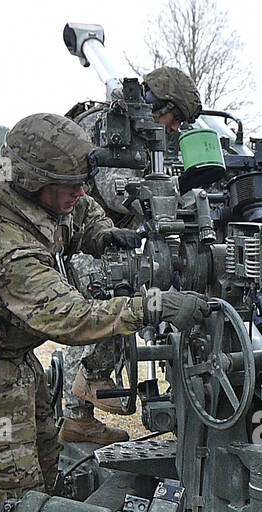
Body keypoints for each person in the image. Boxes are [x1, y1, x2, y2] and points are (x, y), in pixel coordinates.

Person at [0, 112, 209, 512]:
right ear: (36, 182)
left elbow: (74, 216)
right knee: (11, 503)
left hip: (18, 367)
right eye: (68, 187)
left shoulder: (35, 196)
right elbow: (68, 318)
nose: (79, 196)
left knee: (42, 477)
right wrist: (150, 307)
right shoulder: (2, 240)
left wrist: (109, 237)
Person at [58, 66, 205, 444]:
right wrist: (168, 198)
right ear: (159, 104)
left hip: (108, 232)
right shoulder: (111, 125)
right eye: (175, 119)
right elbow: (116, 191)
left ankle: (87, 393)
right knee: (104, 295)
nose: (175, 130)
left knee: (127, 296)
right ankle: (79, 405)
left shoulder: (143, 133)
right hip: (82, 233)